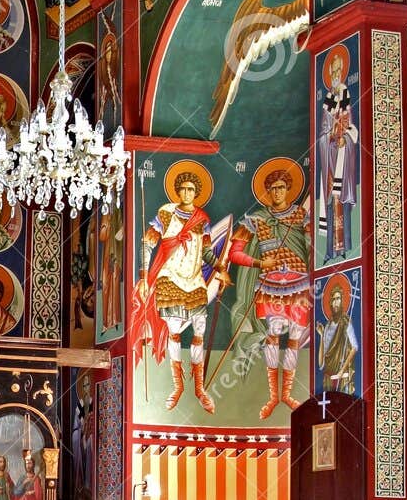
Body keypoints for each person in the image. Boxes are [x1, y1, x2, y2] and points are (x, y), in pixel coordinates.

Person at [227, 163, 312, 419]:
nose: (277, 193)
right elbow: (235, 253)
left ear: (289, 190)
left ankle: (287, 393)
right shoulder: (256, 220)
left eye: (282, 188)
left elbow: (314, 241)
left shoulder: (301, 216)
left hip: (299, 284)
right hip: (270, 284)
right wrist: (260, 263)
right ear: (267, 192)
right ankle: (273, 396)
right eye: (273, 189)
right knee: (273, 336)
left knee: (295, 338)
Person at [134, 166, 218, 412]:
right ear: (177, 191)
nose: (187, 192)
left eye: (191, 189)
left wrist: (220, 268)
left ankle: (199, 389)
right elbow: (147, 243)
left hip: (194, 282)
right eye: (182, 188)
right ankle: (178, 386)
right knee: (174, 333)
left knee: (199, 333)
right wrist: (143, 276)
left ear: (197, 192)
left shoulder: (202, 220)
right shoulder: (166, 214)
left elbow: (208, 253)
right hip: (169, 279)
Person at [316, 49, 358, 263]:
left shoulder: (345, 95)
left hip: (342, 156)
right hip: (330, 158)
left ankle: (344, 248)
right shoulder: (328, 101)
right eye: (333, 70)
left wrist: (345, 140)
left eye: (339, 70)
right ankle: (331, 251)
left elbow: (351, 127)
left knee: (341, 200)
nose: (336, 74)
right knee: (331, 202)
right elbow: (323, 132)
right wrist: (329, 138)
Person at [318, 277, 358, 395]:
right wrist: (321, 336)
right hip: (328, 377)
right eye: (334, 299)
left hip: (341, 376)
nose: (336, 302)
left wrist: (342, 370)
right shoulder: (327, 326)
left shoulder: (346, 322)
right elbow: (321, 363)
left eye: (338, 299)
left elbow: (355, 347)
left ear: (342, 301)